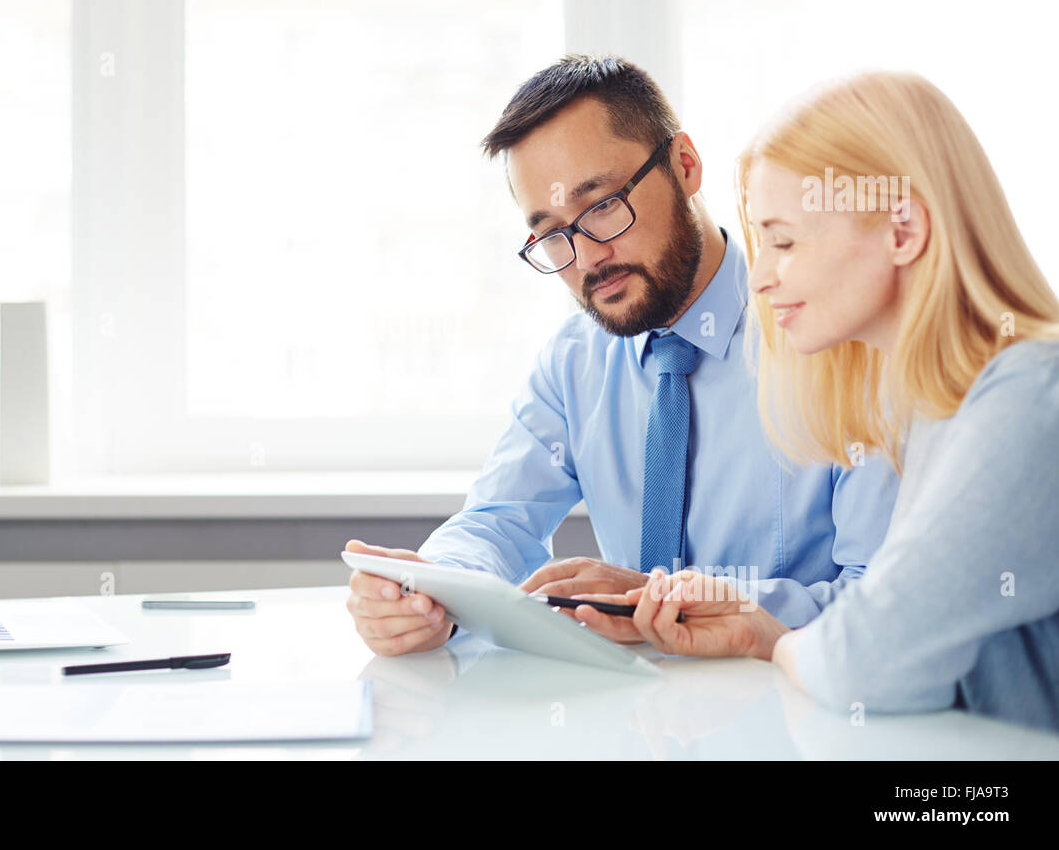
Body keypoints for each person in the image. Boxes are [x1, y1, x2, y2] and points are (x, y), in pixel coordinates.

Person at [345, 55, 898, 657]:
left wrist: (673, 601)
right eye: (553, 233)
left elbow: (879, 599)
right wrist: (429, 594)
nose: (585, 260)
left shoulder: (837, 339)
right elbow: (497, 521)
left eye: (602, 206)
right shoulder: (574, 364)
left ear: (685, 166)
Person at [570, 70, 1059, 731]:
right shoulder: (937, 406)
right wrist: (758, 632)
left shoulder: (1031, 398)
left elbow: (866, 659)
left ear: (903, 230)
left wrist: (787, 644)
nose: (761, 277)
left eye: (786, 240)